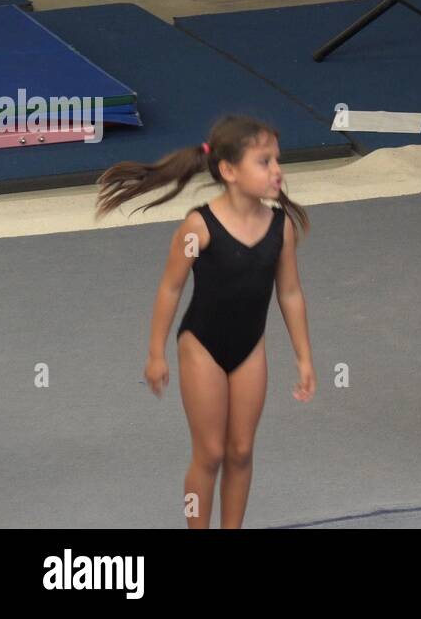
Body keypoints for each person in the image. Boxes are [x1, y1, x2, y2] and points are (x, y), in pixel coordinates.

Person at [96, 115, 316, 527]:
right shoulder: (200, 226)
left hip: (251, 349)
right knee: (210, 453)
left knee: (241, 451)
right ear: (229, 171)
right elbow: (170, 288)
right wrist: (155, 353)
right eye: (264, 162)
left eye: (277, 160)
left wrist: (304, 357)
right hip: (201, 347)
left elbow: (290, 293)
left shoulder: (280, 228)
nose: (277, 171)